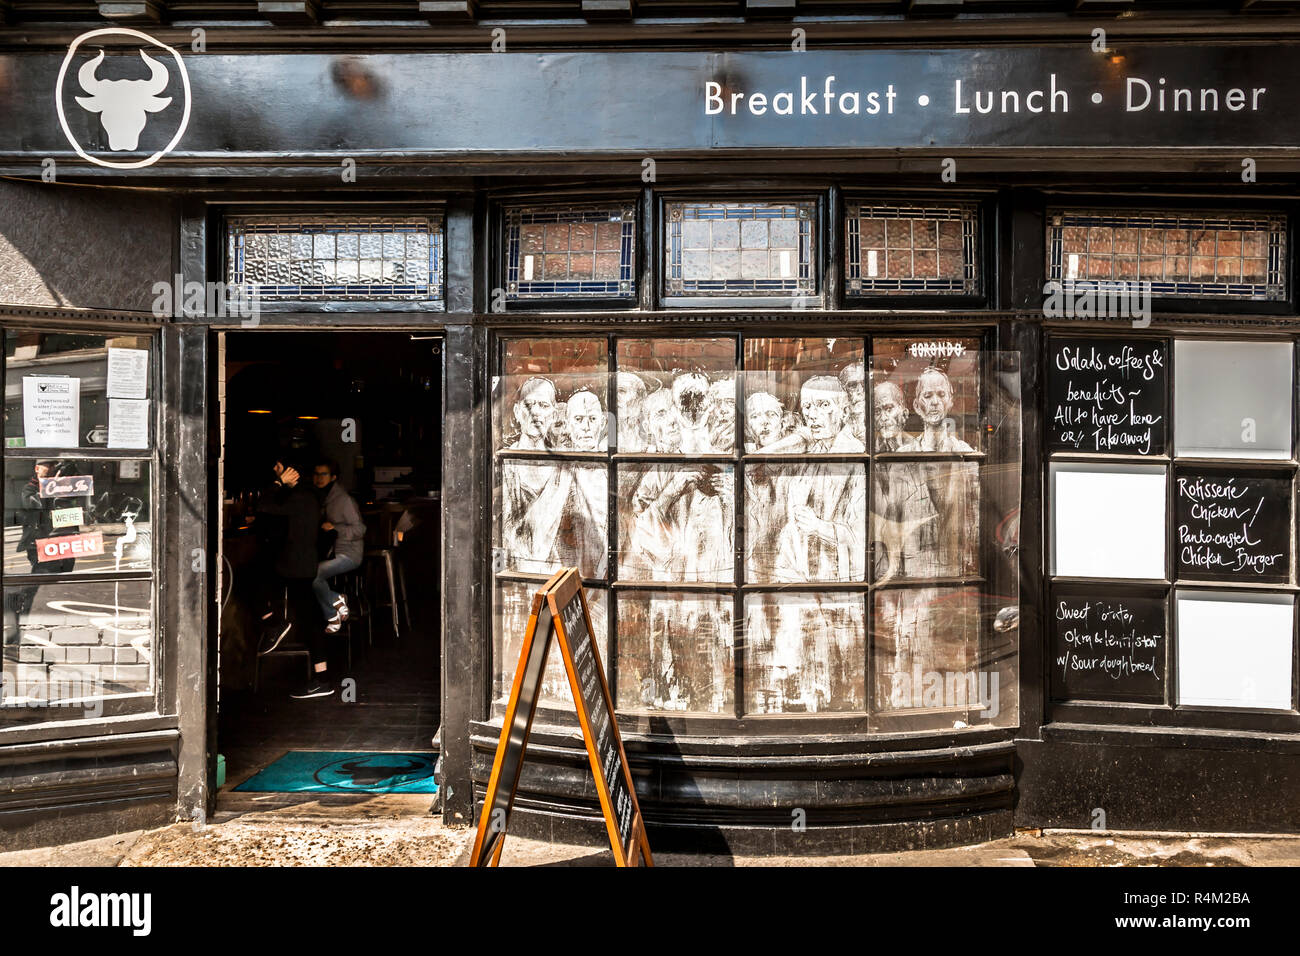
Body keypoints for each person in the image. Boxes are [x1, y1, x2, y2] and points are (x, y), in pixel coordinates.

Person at [255, 454, 332, 699]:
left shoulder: (299, 497)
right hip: (301, 565)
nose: (279, 474)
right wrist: (281, 480)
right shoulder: (308, 495)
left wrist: (278, 484)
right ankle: (321, 677)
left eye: (283, 470)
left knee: (251, 577)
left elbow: (263, 505)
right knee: (310, 619)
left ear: (293, 474)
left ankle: (275, 621)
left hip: (293, 566)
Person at [4, 459, 77, 647]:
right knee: (37, 582)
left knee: (57, 576)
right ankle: (17, 617)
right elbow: (34, 505)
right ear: (37, 469)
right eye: (47, 466)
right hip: (38, 544)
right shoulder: (29, 489)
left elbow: (69, 508)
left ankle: (19, 601)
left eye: (54, 466)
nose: (52, 469)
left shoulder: (59, 487)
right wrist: (53, 486)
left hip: (58, 541)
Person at [311, 459, 366, 634]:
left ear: (333, 477)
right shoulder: (319, 497)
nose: (319, 478)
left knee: (313, 573)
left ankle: (331, 613)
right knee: (307, 571)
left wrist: (335, 528)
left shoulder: (343, 500)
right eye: (316, 474)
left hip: (349, 554)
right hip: (330, 553)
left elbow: (360, 529)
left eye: (324, 474)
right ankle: (337, 599)